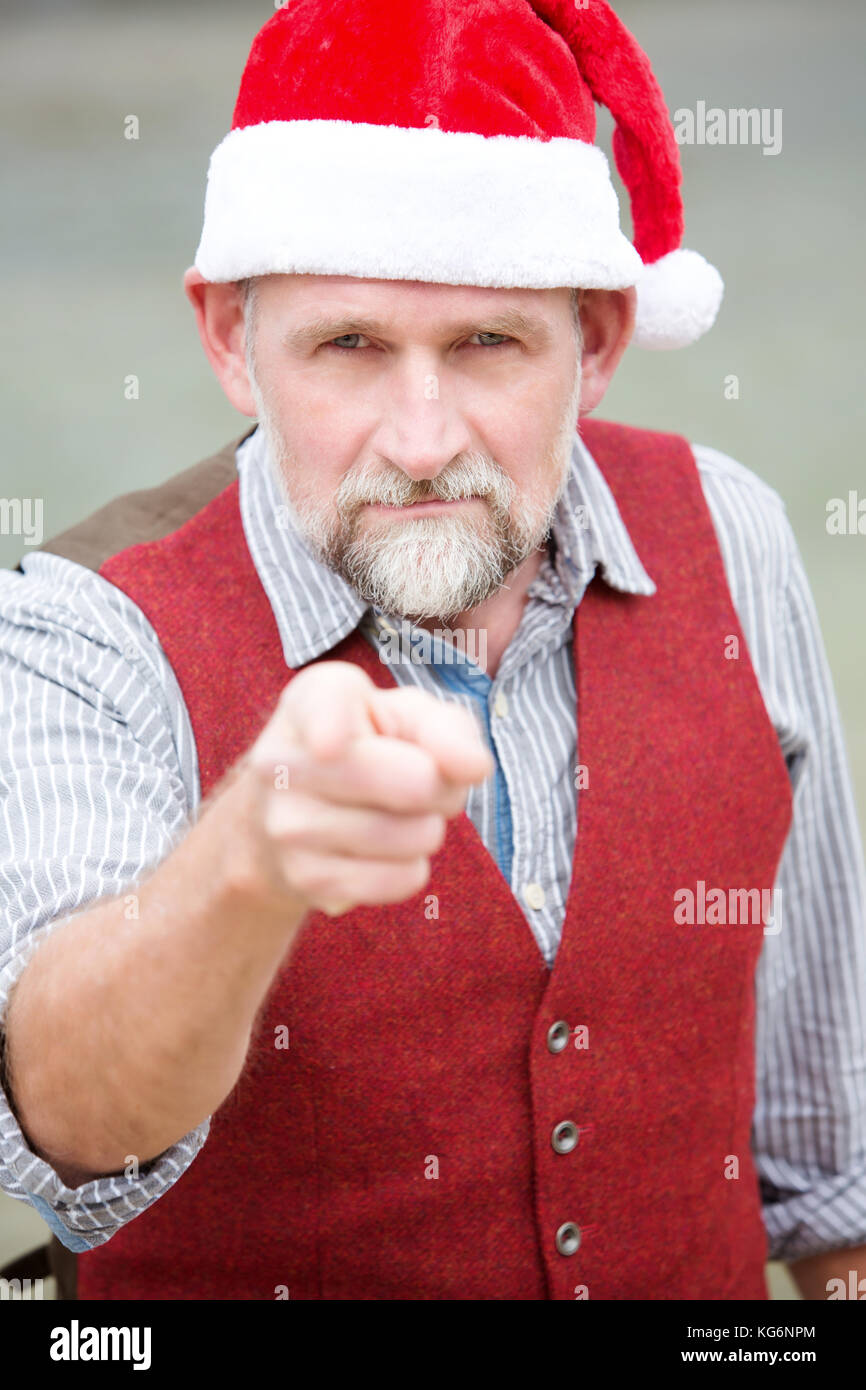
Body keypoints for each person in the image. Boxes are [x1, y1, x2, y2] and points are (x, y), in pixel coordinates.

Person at [1, 0, 864, 1302]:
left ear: (598, 341)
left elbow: (831, 1162)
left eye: (486, 345)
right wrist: (243, 864)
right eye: (347, 346)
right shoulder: (77, 618)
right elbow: (72, 1129)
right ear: (232, 339)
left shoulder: (729, 529)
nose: (419, 438)